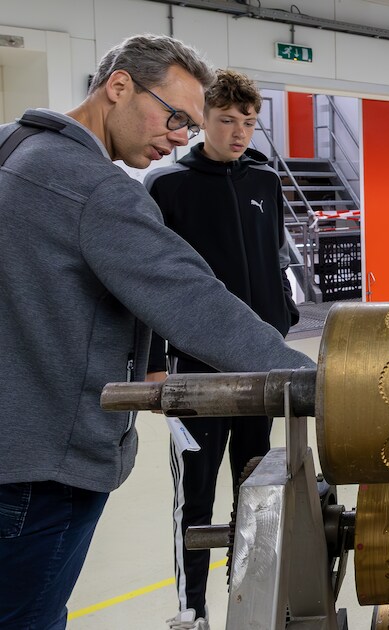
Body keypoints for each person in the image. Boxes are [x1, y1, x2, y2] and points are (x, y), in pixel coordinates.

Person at [0, 34, 314, 630]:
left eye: (189, 127)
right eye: (175, 117)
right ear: (118, 86)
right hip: (46, 466)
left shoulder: (11, 149)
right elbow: (190, 299)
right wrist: (319, 381)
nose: (179, 136)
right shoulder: (97, 189)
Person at [143, 68, 299, 629]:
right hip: (195, 373)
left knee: (256, 492)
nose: (239, 133)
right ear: (201, 118)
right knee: (197, 498)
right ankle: (193, 611)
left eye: (249, 123)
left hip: (260, 365)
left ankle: (248, 599)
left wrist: (284, 313)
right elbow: (146, 281)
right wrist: (156, 364)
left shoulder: (265, 181)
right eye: (227, 120)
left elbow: (277, 256)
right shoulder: (167, 186)